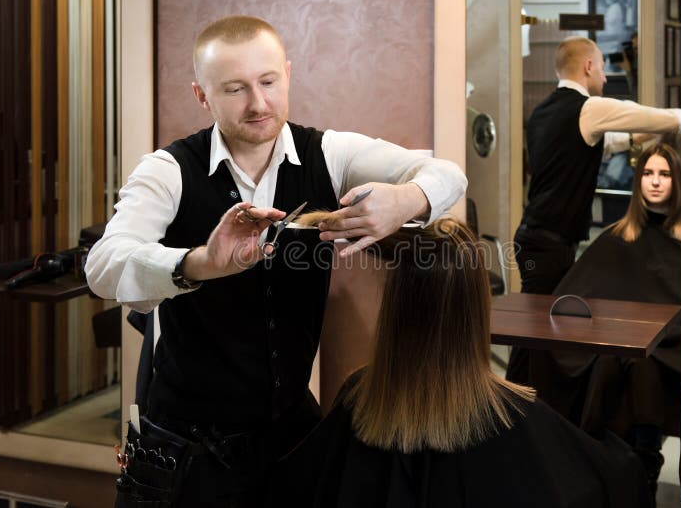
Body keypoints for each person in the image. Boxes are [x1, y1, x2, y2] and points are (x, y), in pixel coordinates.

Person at [85, 15, 466, 507]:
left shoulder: (329, 153)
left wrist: (407, 199)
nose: (259, 103)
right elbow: (104, 266)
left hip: (289, 439)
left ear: (287, 73)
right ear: (202, 95)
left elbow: (447, 174)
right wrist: (200, 262)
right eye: (235, 89)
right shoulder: (167, 171)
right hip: (186, 453)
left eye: (268, 82)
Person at [270, 218, 652, 508]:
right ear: (476, 308)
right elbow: (609, 479)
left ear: (396, 306)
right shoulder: (516, 414)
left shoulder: (359, 398)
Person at [510, 143, 681, 503]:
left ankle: (643, 465)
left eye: (664, 175)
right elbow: (576, 295)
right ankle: (600, 465)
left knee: (641, 367)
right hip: (617, 346)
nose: (654, 183)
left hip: (671, 346)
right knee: (606, 361)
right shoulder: (619, 236)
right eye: (648, 174)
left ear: (677, 181)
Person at [514, 35, 681, 296]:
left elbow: (612, 142)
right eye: (603, 68)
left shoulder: (542, 113)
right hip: (549, 243)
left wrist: (639, 135)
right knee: (539, 327)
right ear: (588, 66)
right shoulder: (588, 109)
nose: (604, 78)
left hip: (534, 237)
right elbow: (660, 119)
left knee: (543, 322)